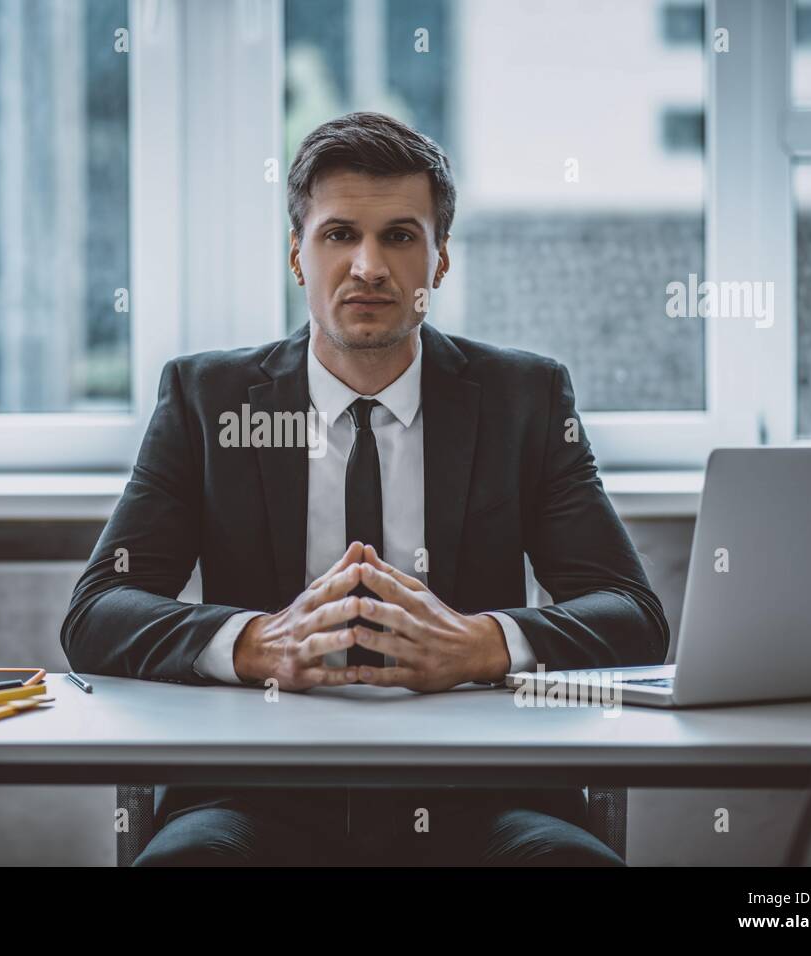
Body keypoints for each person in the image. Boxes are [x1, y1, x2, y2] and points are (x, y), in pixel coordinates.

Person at [61, 111, 669, 865]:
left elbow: (634, 615)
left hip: (483, 790)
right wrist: (255, 645)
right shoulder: (208, 399)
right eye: (339, 234)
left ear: (440, 260)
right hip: (254, 791)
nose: (369, 266)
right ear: (297, 254)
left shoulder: (525, 398)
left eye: (401, 236)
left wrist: (481, 645)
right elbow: (95, 615)